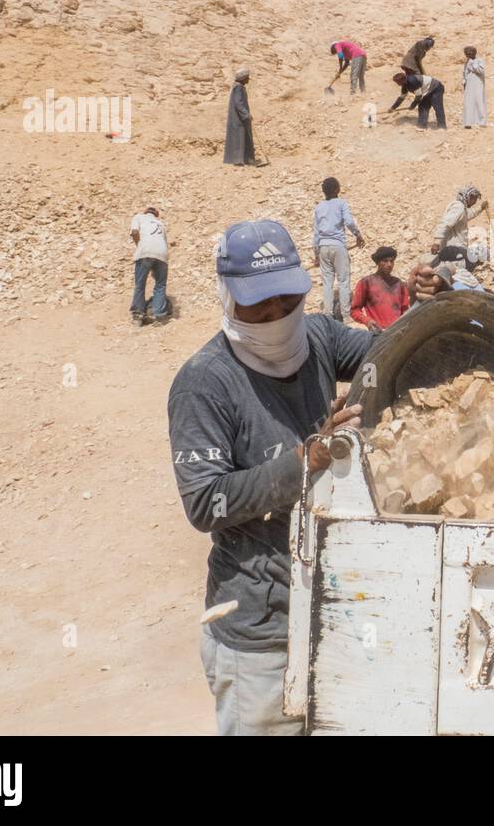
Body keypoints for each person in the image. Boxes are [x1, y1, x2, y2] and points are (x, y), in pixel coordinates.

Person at [167, 219, 373, 736]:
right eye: (260, 305)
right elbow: (204, 502)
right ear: (228, 298)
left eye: (287, 301)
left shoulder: (319, 337)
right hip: (261, 629)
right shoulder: (205, 383)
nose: (277, 317)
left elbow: (387, 357)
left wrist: (425, 311)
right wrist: (308, 460)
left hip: (337, 611)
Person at [312, 177, 364, 323]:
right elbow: (349, 221)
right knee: (343, 280)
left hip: (323, 247)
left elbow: (316, 233)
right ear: (337, 189)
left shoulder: (319, 207)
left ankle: (328, 316)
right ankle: (346, 316)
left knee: (327, 282)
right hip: (338, 245)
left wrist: (316, 254)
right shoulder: (342, 203)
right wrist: (358, 235)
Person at [350, 246, 410, 333]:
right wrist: (367, 321)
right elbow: (354, 310)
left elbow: (405, 310)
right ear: (378, 262)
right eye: (385, 261)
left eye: (392, 261)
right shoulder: (366, 282)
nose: (389, 264)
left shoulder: (399, 284)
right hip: (378, 333)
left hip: (398, 332)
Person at [129, 206, 170, 326]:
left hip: (145, 252)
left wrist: (139, 245)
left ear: (145, 212)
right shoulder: (160, 224)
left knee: (140, 284)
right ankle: (159, 316)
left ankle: (138, 315)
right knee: (160, 285)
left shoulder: (138, 217)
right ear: (156, 214)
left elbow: (135, 232)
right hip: (162, 254)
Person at [224, 68, 266, 167]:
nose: (248, 79)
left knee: (243, 137)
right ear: (243, 78)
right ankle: (239, 160)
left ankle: (246, 159)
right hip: (239, 118)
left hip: (239, 117)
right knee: (240, 137)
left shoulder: (238, 86)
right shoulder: (239, 87)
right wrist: (246, 114)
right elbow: (239, 103)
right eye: (247, 77)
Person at [432, 186, 487, 256]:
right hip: (454, 248)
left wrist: (481, 208)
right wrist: (437, 242)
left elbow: (468, 215)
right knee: (481, 254)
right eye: (473, 199)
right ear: (467, 196)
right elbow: (445, 223)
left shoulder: (461, 207)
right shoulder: (459, 207)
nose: (475, 202)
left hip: (457, 247)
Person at [461, 46, 487, 128]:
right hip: (469, 85)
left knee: (479, 101)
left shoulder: (479, 60)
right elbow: (465, 74)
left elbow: (480, 71)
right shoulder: (467, 62)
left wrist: (473, 63)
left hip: (478, 83)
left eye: (470, 53)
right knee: (468, 102)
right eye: (467, 53)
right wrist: (464, 82)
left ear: (474, 53)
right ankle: (468, 122)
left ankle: (481, 122)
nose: (468, 55)